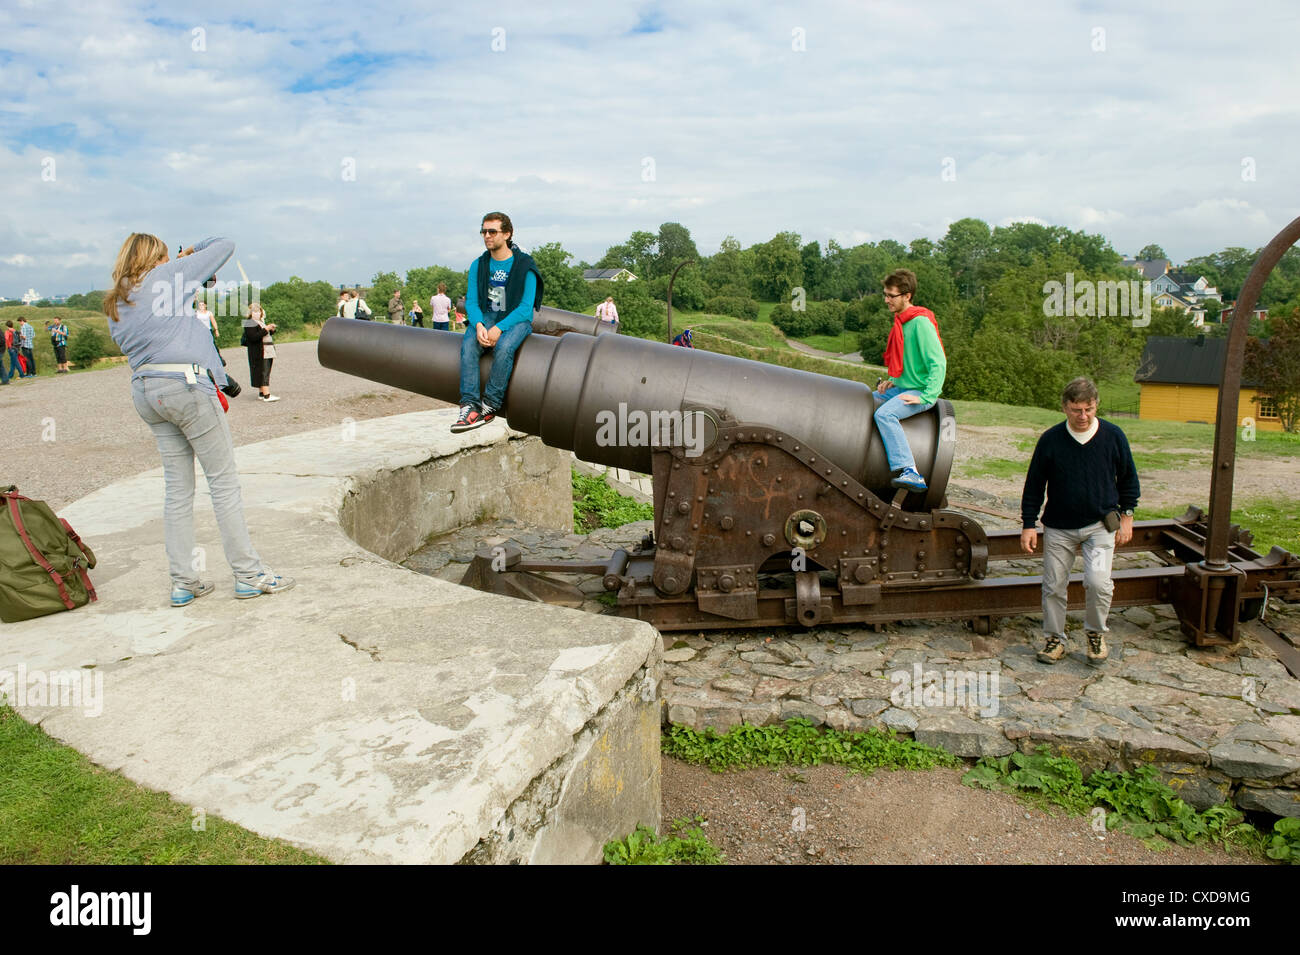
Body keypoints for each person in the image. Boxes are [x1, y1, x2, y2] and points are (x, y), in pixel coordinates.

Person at [104, 233, 294, 605]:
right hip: (186, 386)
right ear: (156, 258)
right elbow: (224, 244)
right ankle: (249, 574)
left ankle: (183, 582)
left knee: (177, 491)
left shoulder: (118, 299)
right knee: (223, 483)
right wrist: (189, 253)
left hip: (146, 390)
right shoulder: (166, 277)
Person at [1020, 377, 1140, 667]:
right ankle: (1054, 639)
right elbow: (1034, 484)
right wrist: (1028, 524)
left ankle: (1096, 634)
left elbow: (1128, 479)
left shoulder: (1113, 436)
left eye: (1089, 409)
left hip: (1100, 526)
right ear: (1064, 408)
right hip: (1060, 527)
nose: (1083, 416)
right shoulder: (1050, 440)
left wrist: (1128, 516)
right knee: (1053, 586)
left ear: (1096, 406)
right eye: (1076, 410)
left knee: (1099, 584)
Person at [450, 212, 545, 433]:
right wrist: (480, 325)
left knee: (504, 348)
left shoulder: (525, 266)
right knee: (469, 345)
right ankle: (469, 406)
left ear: (507, 234)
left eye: (492, 231)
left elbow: (524, 308)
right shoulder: (479, 265)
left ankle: (490, 404)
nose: (487, 236)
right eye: (484, 231)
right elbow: (472, 302)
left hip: (516, 320)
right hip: (487, 317)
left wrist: (499, 328)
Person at [872, 268, 946, 493]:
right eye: (885, 294)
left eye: (891, 296)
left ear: (907, 295)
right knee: (868, 399)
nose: (887, 300)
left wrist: (926, 396)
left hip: (921, 391)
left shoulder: (920, 323)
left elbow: (939, 362)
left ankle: (910, 471)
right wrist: (892, 380)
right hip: (903, 386)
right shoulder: (901, 321)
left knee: (884, 414)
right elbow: (906, 360)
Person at [242, 302, 280, 402]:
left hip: (267, 350)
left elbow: (265, 333)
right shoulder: (249, 323)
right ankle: (267, 395)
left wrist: (271, 329)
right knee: (263, 371)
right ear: (250, 313)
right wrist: (266, 329)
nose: (256, 314)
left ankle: (262, 393)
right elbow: (253, 337)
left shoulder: (260, 322)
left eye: (258, 311)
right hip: (259, 352)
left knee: (265, 370)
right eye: (254, 312)